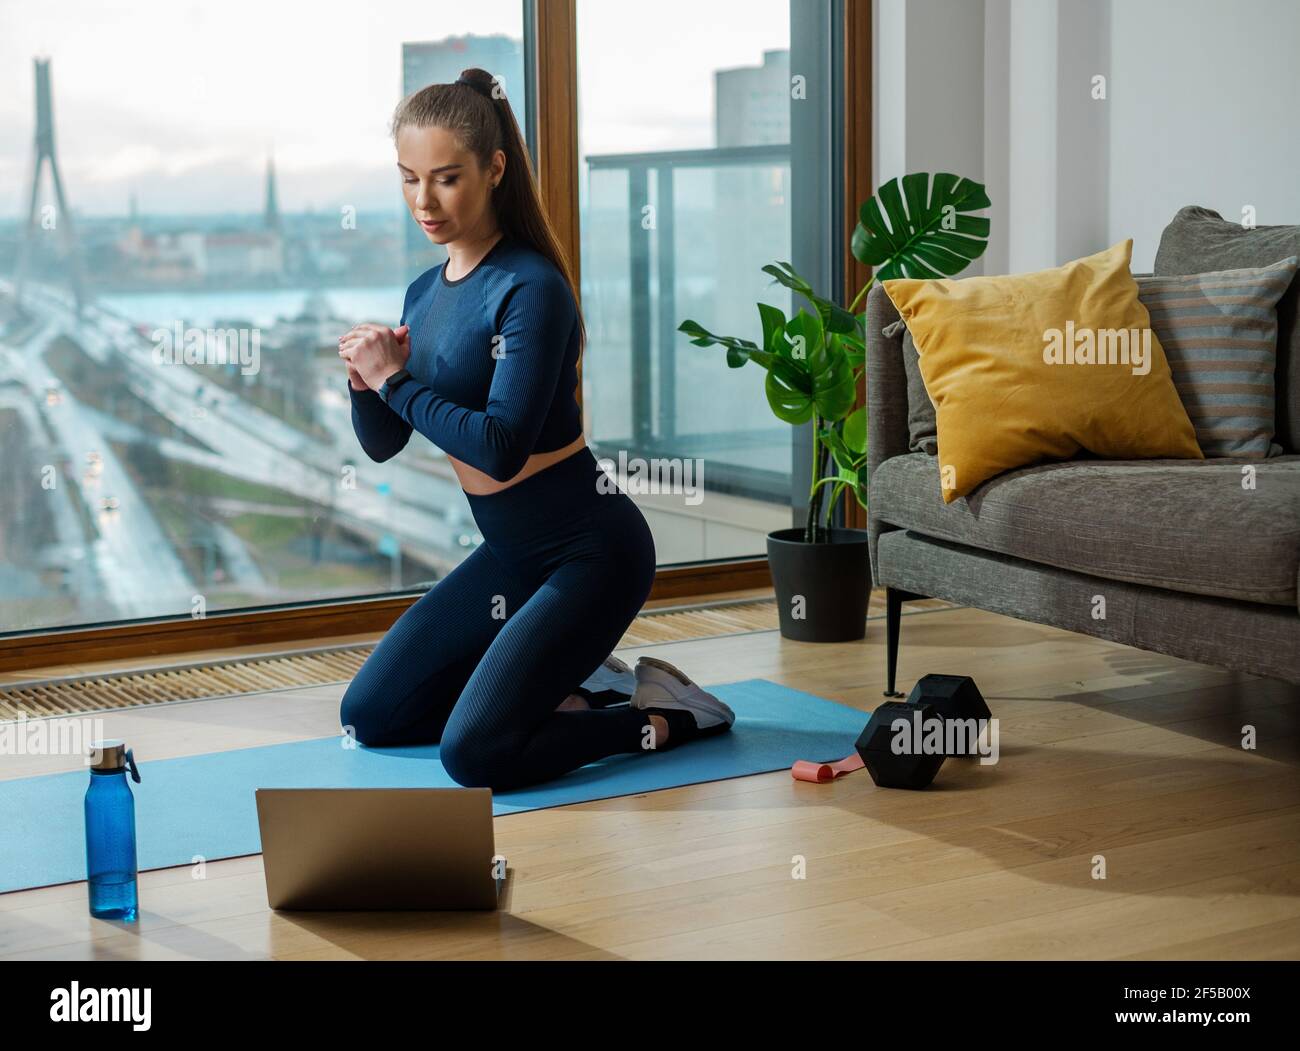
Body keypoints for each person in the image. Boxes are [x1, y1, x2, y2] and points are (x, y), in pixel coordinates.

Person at [336, 67, 734, 791]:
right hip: (511, 559)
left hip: (593, 555)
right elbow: (385, 442)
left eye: (446, 178)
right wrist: (364, 382)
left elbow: (499, 443)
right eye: (408, 179)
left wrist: (396, 380)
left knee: (475, 755)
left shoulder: (530, 288)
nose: (423, 201)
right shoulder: (424, 293)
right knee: (371, 715)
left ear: (493, 169)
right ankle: (579, 683)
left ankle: (667, 715)